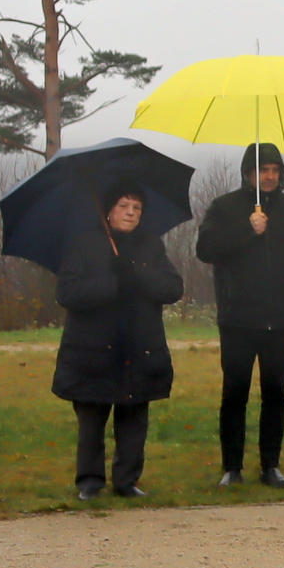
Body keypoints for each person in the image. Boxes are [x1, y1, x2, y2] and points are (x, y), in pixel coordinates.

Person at [195, 143, 284, 488]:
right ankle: (232, 468)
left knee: (275, 392)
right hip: (237, 318)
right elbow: (205, 249)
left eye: (274, 170)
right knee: (235, 391)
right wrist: (247, 230)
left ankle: (270, 465)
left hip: (281, 319)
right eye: (261, 169)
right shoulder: (225, 207)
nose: (268, 176)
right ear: (247, 173)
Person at [52, 182, 184, 500]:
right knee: (92, 421)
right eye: (124, 205)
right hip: (93, 350)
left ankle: (127, 481)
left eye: (137, 208)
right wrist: (112, 283)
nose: (130, 213)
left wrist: (136, 273)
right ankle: (90, 481)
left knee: (134, 420)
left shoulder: (151, 246)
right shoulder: (83, 244)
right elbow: (67, 293)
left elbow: (172, 288)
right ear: (109, 210)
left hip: (139, 347)